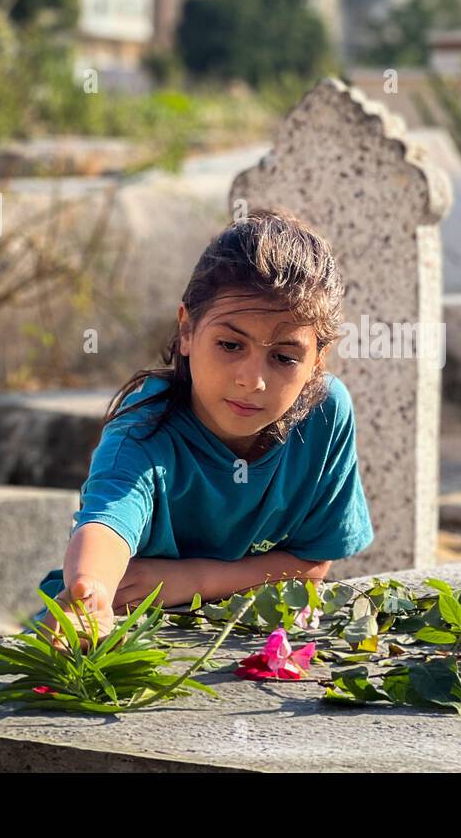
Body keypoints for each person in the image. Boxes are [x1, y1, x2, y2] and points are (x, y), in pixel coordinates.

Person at [32, 209, 375, 647]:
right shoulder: (145, 429)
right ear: (188, 330)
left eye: (284, 357)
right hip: (111, 637)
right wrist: (89, 592)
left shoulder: (326, 415)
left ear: (317, 362)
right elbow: (107, 524)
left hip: (231, 638)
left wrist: (189, 579)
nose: (252, 380)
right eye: (231, 345)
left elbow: (313, 562)